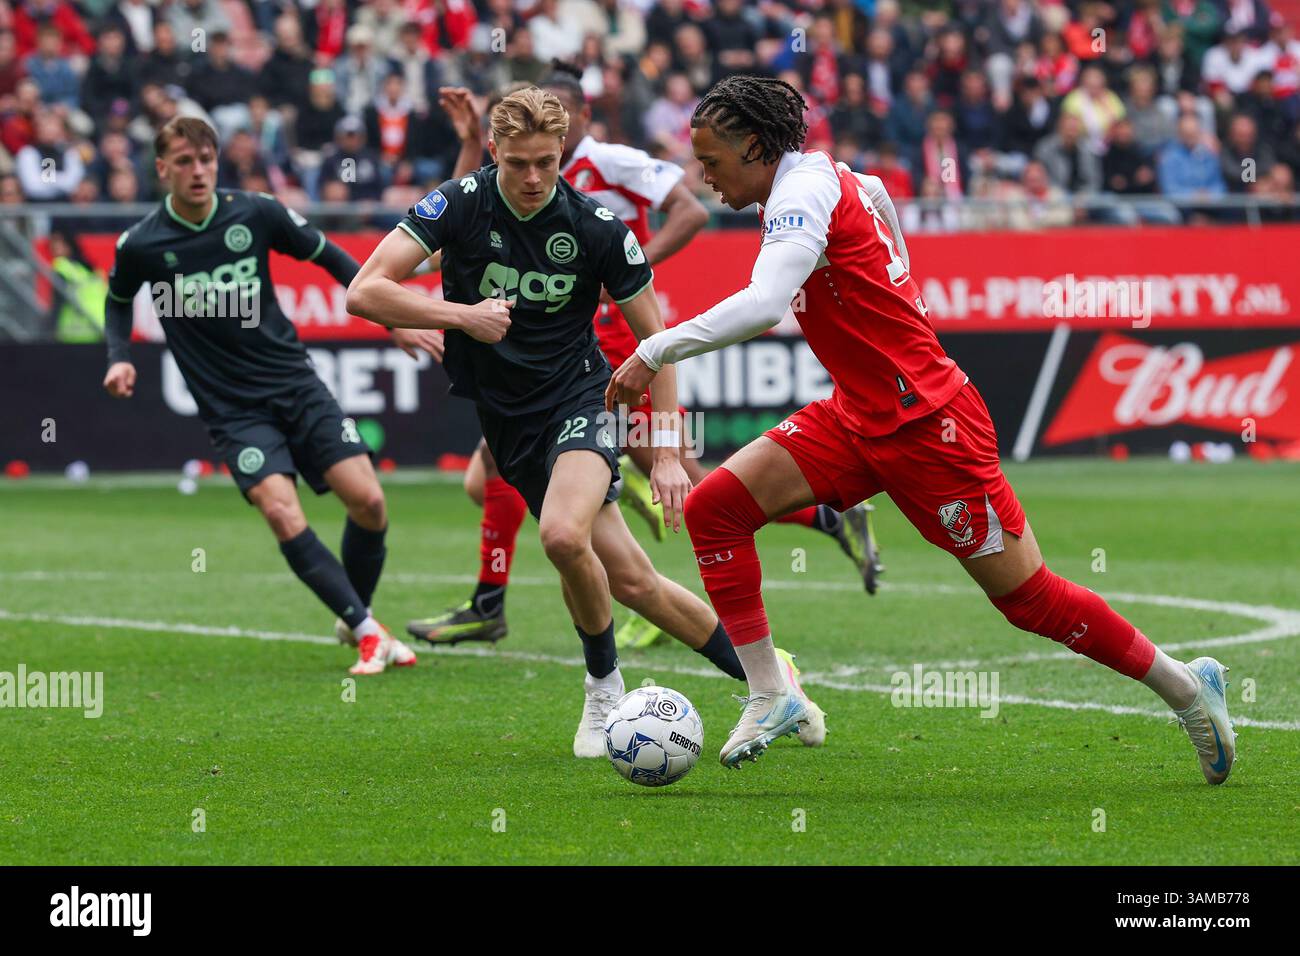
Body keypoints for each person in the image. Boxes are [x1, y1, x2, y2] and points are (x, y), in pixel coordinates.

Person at [607, 75, 1236, 784]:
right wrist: (897, 276)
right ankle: (770, 693)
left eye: (713, 162)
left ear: (755, 147)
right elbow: (873, 190)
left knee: (1029, 600)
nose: (706, 178)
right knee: (716, 509)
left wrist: (651, 349)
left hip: (931, 427)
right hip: (858, 413)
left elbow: (762, 305)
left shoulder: (803, 193)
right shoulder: (822, 177)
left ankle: (1187, 687)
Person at [346, 87, 826, 757]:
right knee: (634, 583)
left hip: (582, 400)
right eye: (519, 163)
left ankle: (603, 690)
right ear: (494, 153)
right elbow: (364, 291)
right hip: (507, 423)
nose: (536, 177)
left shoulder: (597, 227)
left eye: (547, 161)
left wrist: (664, 452)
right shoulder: (458, 205)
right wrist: (464, 316)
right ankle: (775, 684)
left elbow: (659, 345)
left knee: (563, 537)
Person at [405, 69, 882, 654]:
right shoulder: (520, 174)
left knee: (674, 477)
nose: (534, 170)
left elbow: (691, 211)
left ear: (578, 117)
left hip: (603, 350)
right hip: (534, 358)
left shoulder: (612, 165)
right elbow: (456, 233)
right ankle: (512, 585)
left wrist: (630, 271)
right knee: (502, 480)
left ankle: (502, 597)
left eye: (559, 122)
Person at [102, 116, 416, 676]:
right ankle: (369, 633)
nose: (197, 171)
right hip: (233, 409)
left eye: (206, 159)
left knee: (368, 503)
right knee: (279, 508)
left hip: (295, 383)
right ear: (162, 169)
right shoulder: (142, 243)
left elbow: (331, 256)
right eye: (184, 162)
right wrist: (119, 356)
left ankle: (354, 614)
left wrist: (388, 313)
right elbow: (118, 299)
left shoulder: (257, 212)